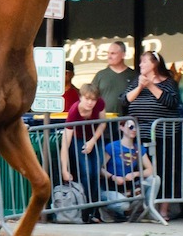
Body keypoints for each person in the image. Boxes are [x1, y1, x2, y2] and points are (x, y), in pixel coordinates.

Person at [120, 50, 179, 219]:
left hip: (164, 136)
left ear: (154, 64)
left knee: (164, 171)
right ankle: (144, 206)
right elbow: (124, 100)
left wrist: (151, 86)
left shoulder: (168, 83)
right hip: (140, 136)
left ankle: (163, 210)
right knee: (142, 171)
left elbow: (171, 102)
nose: (140, 65)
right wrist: (140, 86)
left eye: (144, 62)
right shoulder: (135, 82)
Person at [59, 83, 107, 223]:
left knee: (96, 172)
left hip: (95, 137)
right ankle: (86, 210)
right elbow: (65, 143)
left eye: (93, 100)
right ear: (80, 98)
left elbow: (103, 123)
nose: (90, 103)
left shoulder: (100, 104)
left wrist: (92, 141)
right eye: (87, 99)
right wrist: (64, 170)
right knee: (86, 172)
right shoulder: (74, 111)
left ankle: (96, 210)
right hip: (78, 139)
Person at [98, 118, 158, 221]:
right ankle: (108, 210)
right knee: (123, 205)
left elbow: (150, 170)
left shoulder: (138, 148)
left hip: (129, 187)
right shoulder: (112, 146)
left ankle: (147, 210)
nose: (134, 130)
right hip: (110, 187)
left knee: (155, 179)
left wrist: (135, 174)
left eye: (136, 127)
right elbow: (100, 169)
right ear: (121, 127)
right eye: (130, 127)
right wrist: (113, 177)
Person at [92, 41, 137, 114]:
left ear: (123, 55)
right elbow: (91, 96)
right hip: (103, 120)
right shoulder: (100, 75)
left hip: (127, 121)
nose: (109, 56)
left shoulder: (134, 76)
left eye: (113, 53)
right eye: (108, 53)